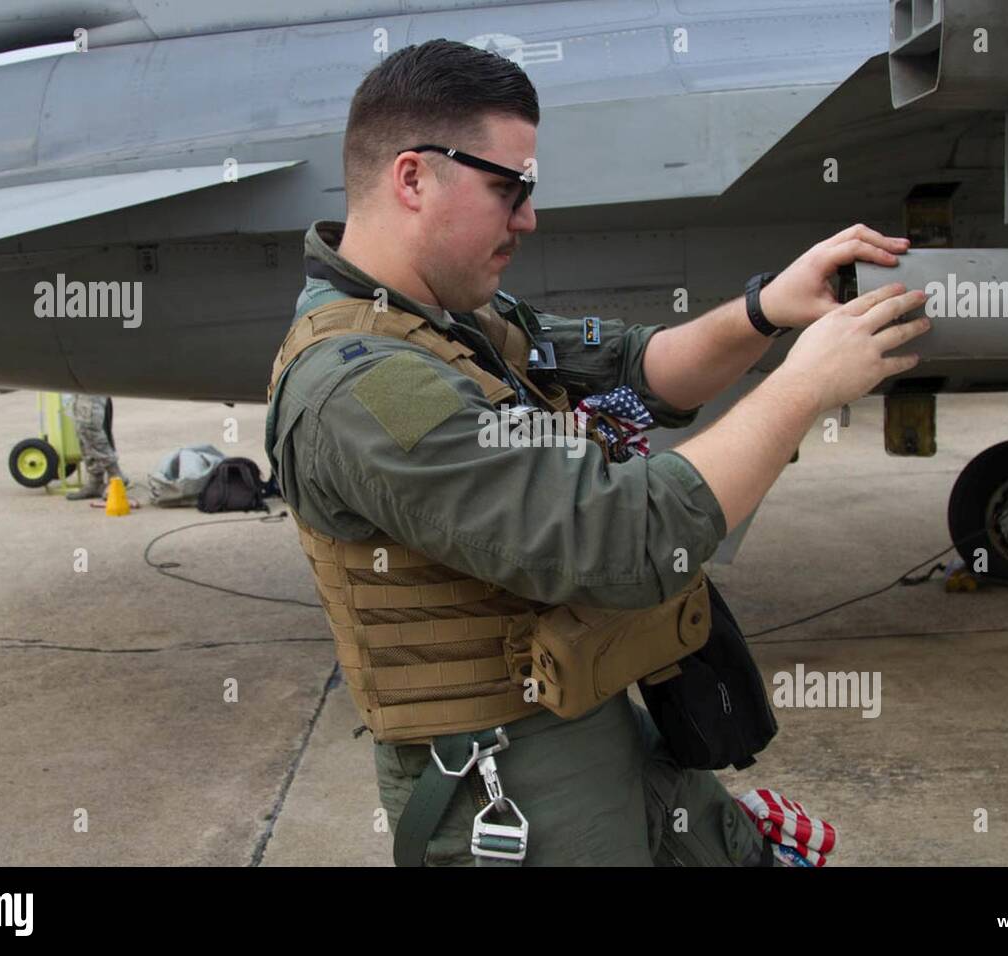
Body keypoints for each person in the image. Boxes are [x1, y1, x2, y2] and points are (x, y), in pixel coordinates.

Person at [265, 39, 929, 866]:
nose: (527, 219)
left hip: (590, 735)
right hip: (503, 797)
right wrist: (801, 390)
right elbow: (623, 543)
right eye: (507, 190)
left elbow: (635, 366)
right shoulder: (363, 389)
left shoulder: (454, 321)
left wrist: (765, 311)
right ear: (412, 178)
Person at [63, 393, 129, 500]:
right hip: (80, 384)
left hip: (91, 383)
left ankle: (115, 475)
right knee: (82, 429)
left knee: (89, 427)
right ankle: (95, 481)